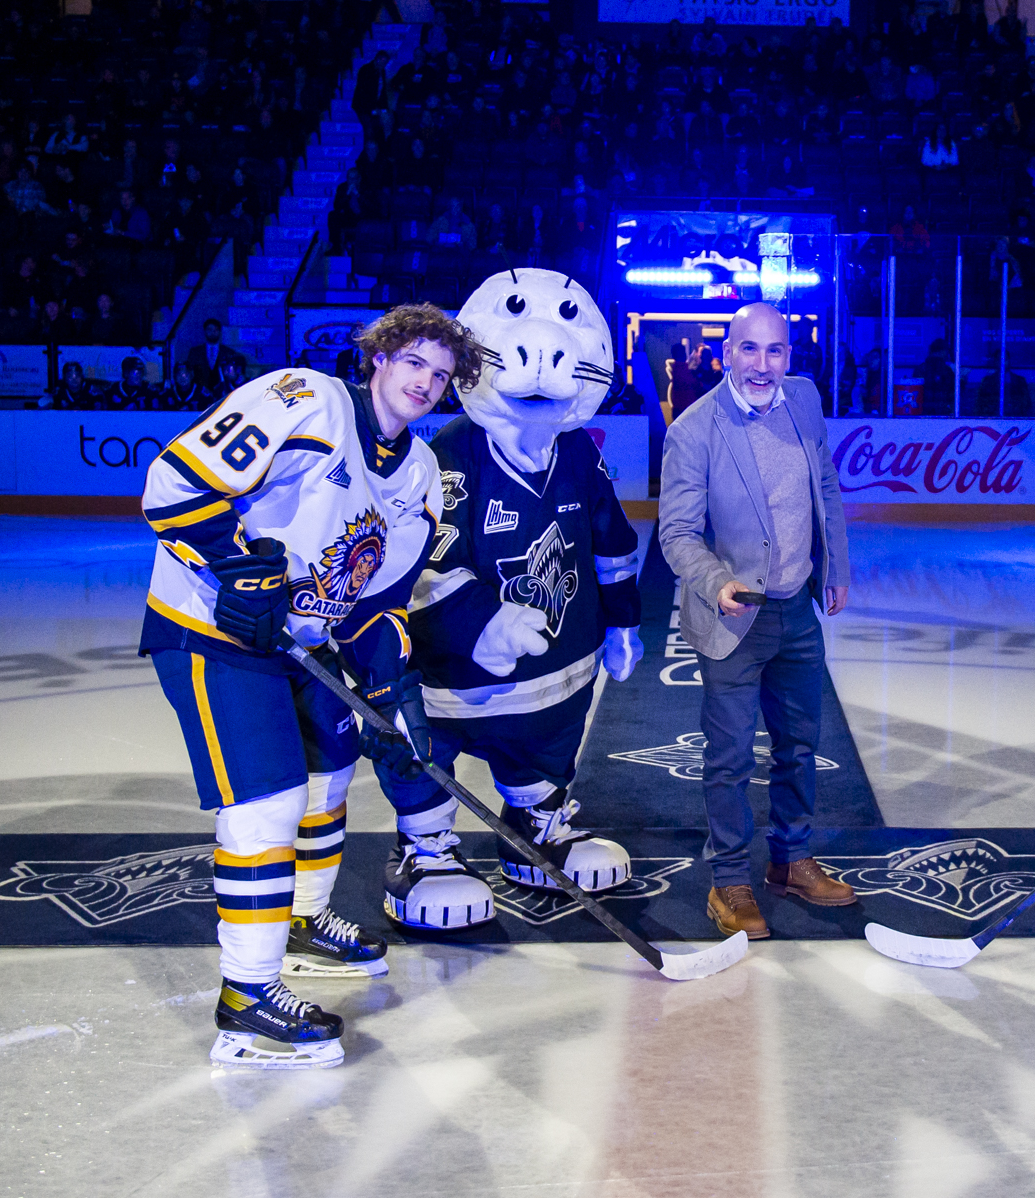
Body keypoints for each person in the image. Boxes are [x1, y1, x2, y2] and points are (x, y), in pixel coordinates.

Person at [139, 304, 475, 1068]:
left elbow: (376, 606)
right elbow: (174, 483)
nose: (425, 382)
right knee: (267, 803)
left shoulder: (421, 474)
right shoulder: (309, 402)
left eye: (441, 374)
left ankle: (300, 923)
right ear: (379, 357)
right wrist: (236, 568)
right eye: (414, 362)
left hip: (304, 645)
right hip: (211, 631)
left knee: (330, 776)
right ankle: (247, 999)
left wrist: (392, 693)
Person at [372, 270, 642, 924]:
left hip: (559, 659)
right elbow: (430, 562)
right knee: (423, 741)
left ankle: (535, 823)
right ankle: (426, 847)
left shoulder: (578, 453)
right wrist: (482, 625)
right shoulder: (450, 453)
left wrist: (623, 622)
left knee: (546, 741)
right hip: (458, 672)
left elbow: (611, 540)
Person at [658, 302, 855, 940]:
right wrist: (716, 583)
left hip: (797, 609)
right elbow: (676, 533)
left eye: (775, 350)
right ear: (727, 354)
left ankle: (791, 860)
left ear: (788, 356)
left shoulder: (805, 399)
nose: (762, 365)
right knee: (731, 757)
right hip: (735, 616)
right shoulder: (694, 429)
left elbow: (826, 486)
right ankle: (729, 881)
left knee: (799, 747)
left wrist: (836, 567)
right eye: (749, 349)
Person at [193, 319, 248, 392]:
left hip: (224, 391)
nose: (212, 332)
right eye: (209, 330)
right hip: (199, 392)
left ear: (219, 331)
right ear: (205, 331)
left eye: (215, 330)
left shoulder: (229, 352)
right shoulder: (195, 352)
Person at [667, 342, 700, 419]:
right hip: (685, 407)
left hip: (679, 407)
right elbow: (691, 383)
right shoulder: (682, 369)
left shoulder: (676, 369)